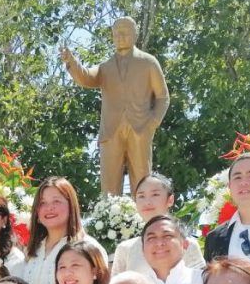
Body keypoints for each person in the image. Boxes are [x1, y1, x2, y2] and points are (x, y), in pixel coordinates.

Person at [60, 16, 170, 196]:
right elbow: (87, 77)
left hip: (140, 128)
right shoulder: (105, 67)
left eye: (124, 32)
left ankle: (144, 220)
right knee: (109, 187)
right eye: (116, 33)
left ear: (134, 34)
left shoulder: (148, 62)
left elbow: (163, 96)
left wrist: (153, 123)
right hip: (111, 131)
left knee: (143, 182)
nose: (119, 36)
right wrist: (71, 61)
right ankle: (107, 220)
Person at [23, 177, 108, 284]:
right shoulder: (33, 249)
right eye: (42, 203)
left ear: (71, 206)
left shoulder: (88, 246)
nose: (49, 208)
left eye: (56, 201)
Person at [110, 172, 175, 275]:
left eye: (155, 194)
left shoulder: (187, 245)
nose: (147, 202)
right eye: (141, 196)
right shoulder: (125, 249)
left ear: (170, 200)